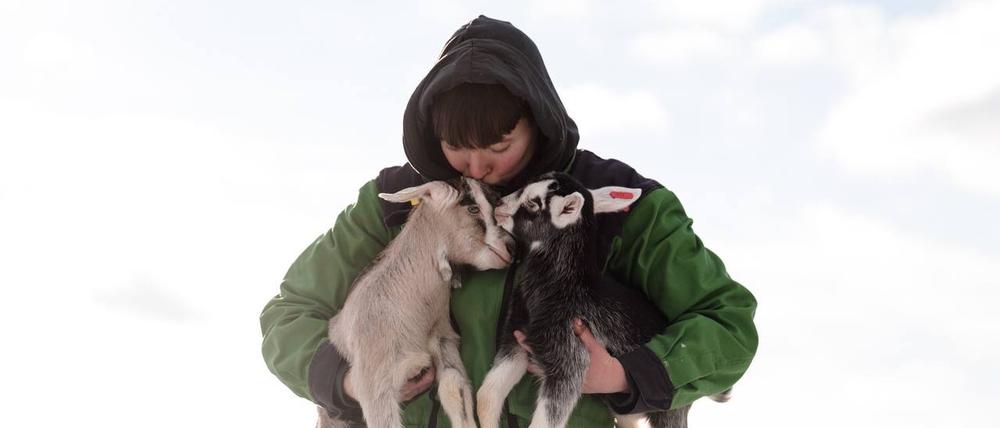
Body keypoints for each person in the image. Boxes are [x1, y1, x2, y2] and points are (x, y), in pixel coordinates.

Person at [260, 15, 758, 427]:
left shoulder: (614, 203)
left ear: (536, 122)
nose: (475, 167)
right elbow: (290, 312)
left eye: (498, 147)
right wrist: (348, 384)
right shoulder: (394, 203)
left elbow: (726, 324)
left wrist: (623, 375)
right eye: (455, 147)